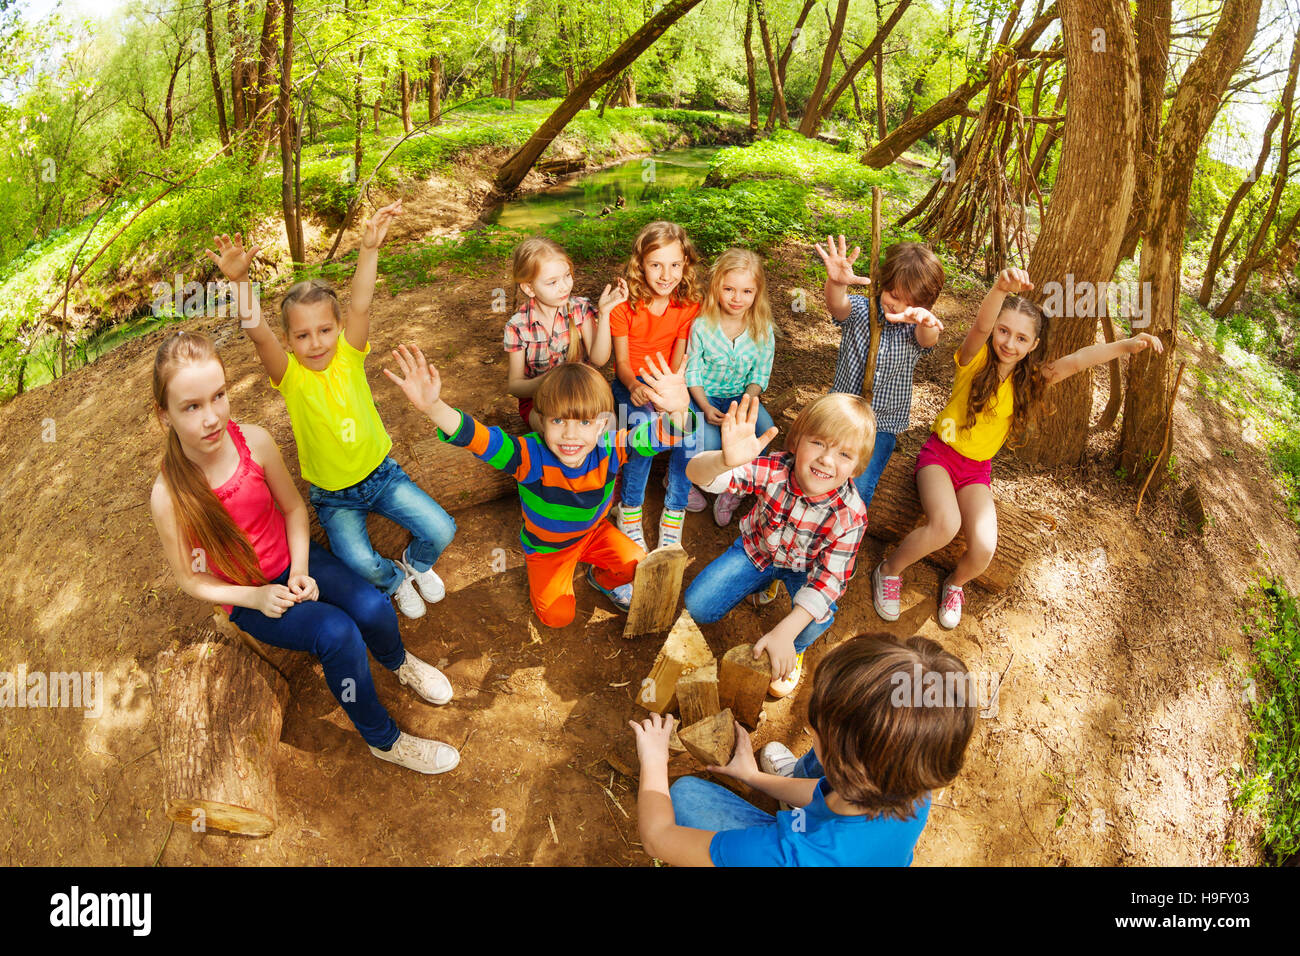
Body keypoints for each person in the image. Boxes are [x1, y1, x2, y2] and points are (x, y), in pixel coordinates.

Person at [147, 331, 458, 774]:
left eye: (218, 396)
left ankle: (399, 662)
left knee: (371, 603)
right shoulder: (168, 496)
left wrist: (299, 567)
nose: (212, 417)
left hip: (294, 561)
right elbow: (189, 578)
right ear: (164, 416)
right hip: (250, 598)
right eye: (191, 407)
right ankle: (384, 740)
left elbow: (293, 508)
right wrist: (254, 598)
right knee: (337, 634)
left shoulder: (252, 441)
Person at [872, 268, 1165, 628]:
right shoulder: (974, 359)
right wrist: (998, 289)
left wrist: (1125, 346)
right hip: (939, 457)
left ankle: (955, 584)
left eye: (1021, 338)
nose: (1010, 343)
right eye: (1004, 330)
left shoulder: (1031, 380)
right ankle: (889, 570)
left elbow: (1077, 361)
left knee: (984, 548)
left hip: (976, 471)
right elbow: (979, 327)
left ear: (1034, 345)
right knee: (945, 524)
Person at [207, 202, 456, 620]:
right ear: (288, 341)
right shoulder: (291, 376)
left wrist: (370, 249)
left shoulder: (349, 355)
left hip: (381, 474)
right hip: (333, 497)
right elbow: (258, 335)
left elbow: (360, 303)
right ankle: (394, 580)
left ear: (338, 329)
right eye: (302, 335)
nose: (316, 342)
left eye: (324, 330)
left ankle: (416, 564)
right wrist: (240, 282)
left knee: (441, 528)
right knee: (358, 562)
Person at [385, 347, 697, 628]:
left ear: (602, 425)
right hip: (549, 550)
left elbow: (656, 437)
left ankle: (598, 577)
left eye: (585, 423)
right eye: (558, 421)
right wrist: (434, 407)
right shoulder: (529, 456)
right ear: (541, 420)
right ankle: (554, 583)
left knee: (638, 564)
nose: (570, 435)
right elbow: (481, 440)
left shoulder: (611, 447)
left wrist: (680, 411)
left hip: (594, 535)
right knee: (559, 618)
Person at [628, 632, 978, 866]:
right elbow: (825, 791)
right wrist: (752, 776)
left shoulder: (787, 854)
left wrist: (654, 760)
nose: (810, 730)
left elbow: (658, 840)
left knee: (685, 794)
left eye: (819, 733)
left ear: (845, 764)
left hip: (794, 851)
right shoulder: (911, 781)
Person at [684, 393, 873, 697]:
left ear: (857, 467)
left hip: (805, 572)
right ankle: (764, 584)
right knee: (698, 607)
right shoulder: (775, 469)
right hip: (757, 552)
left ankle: (795, 648)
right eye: (819, 443)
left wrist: (786, 633)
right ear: (796, 442)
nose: (826, 459)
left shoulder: (851, 516)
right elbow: (699, 476)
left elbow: (829, 582)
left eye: (844, 455)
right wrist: (722, 460)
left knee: (817, 618)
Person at [817, 235, 945, 508]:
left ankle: (843, 533)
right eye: (894, 295)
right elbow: (837, 305)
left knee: (859, 486)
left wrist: (926, 321)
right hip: (839, 411)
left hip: (881, 425)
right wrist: (836, 282)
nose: (898, 306)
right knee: (816, 468)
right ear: (881, 285)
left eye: (911, 304)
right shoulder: (862, 311)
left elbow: (928, 338)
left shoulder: (915, 331)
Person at [608, 220, 704, 549]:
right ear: (641, 266)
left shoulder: (688, 306)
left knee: (689, 428)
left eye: (675, 265)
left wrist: (672, 394)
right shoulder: (624, 307)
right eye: (656, 265)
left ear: (685, 265)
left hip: (668, 382)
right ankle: (630, 510)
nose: (666, 275)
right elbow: (620, 364)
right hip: (631, 383)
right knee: (645, 429)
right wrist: (636, 386)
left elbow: (677, 363)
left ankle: (673, 513)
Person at [674, 248, 777, 528]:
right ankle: (686, 480)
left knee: (762, 432)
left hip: (740, 398)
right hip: (703, 397)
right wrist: (705, 407)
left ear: (757, 293)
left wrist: (745, 403)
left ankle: (734, 490)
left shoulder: (762, 328)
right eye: (729, 289)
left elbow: (760, 373)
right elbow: (692, 371)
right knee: (705, 441)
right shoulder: (703, 326)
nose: (737, 298)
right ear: (717, 286)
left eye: (746, 291)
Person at [503, 236, 626, 433]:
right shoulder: (518, 326)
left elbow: (599, 359)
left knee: (609, 423)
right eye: (552, 282)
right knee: (553, 430)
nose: (564, 286)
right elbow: (515, 386)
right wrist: (550, 380)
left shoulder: (579, 309)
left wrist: (604, 314)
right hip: (540, 403)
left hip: (583, 395)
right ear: (529, 287)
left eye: (567, 276)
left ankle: (605, 463)